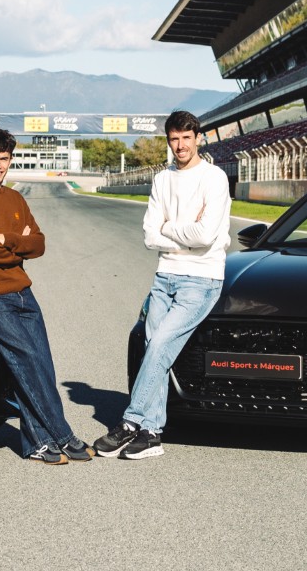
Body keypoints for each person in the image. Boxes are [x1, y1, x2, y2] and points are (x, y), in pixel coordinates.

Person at [0, 128, 92, 464]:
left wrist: (5, 239)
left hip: (22, 292)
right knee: (27, 361)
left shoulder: (15, 199)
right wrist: (18, 244)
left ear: (10, 159)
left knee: (40, 365)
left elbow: (39, 243)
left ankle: (36, 442)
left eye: (4, 159)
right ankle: (62, 434)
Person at [95, 110, 230, 460]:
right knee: (152, 347)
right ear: (168, 141)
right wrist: (177, 231)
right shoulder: (162, 180)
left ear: (198, 139)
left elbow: (205, 236)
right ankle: (152, 432)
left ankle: (130, 421)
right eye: (174, 139)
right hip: (164, 275)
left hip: (201, 279)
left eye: (187, 138)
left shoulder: (214, 178)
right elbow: (149, 235)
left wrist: (170, 227)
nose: (181, 145)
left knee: (159, 349)